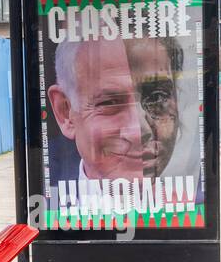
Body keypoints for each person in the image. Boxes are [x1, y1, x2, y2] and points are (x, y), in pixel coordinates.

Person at [47, 35, 183, 184]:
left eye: (157, 97)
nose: (138, 132)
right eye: (110, 102)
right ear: (65, 112)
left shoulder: (202, 194)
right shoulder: (48, 198)